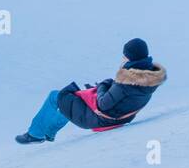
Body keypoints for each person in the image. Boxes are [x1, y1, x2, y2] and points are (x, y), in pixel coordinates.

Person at [16, 38, 167, 145]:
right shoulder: (149, 77)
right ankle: (48, 132)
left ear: (129, 57)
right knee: (72, 101)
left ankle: (35, 134)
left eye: (124, 55)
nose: (123, 58)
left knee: (57, 96)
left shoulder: (126, 80)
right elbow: (124, 96)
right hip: (121, 116)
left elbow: (103, 104)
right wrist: (108, 85)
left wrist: (102, 85)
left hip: (102, 118)